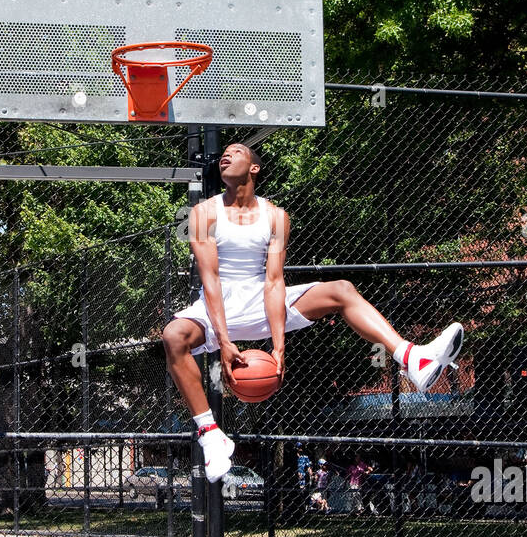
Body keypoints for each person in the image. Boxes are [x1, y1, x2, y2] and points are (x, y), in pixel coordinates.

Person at [162, 143, 465, 483]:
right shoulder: (203, 213)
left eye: (235, 151)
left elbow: (274, 281)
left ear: (254, 168)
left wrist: (278, 345)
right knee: (173, 336)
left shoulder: (276, 216)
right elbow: (211, 278)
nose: (225, 157)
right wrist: (225, 339)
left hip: (260, 299)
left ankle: (412, 358)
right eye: (223, 155)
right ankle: (210, 434)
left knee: (341, 290)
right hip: (217, 304)